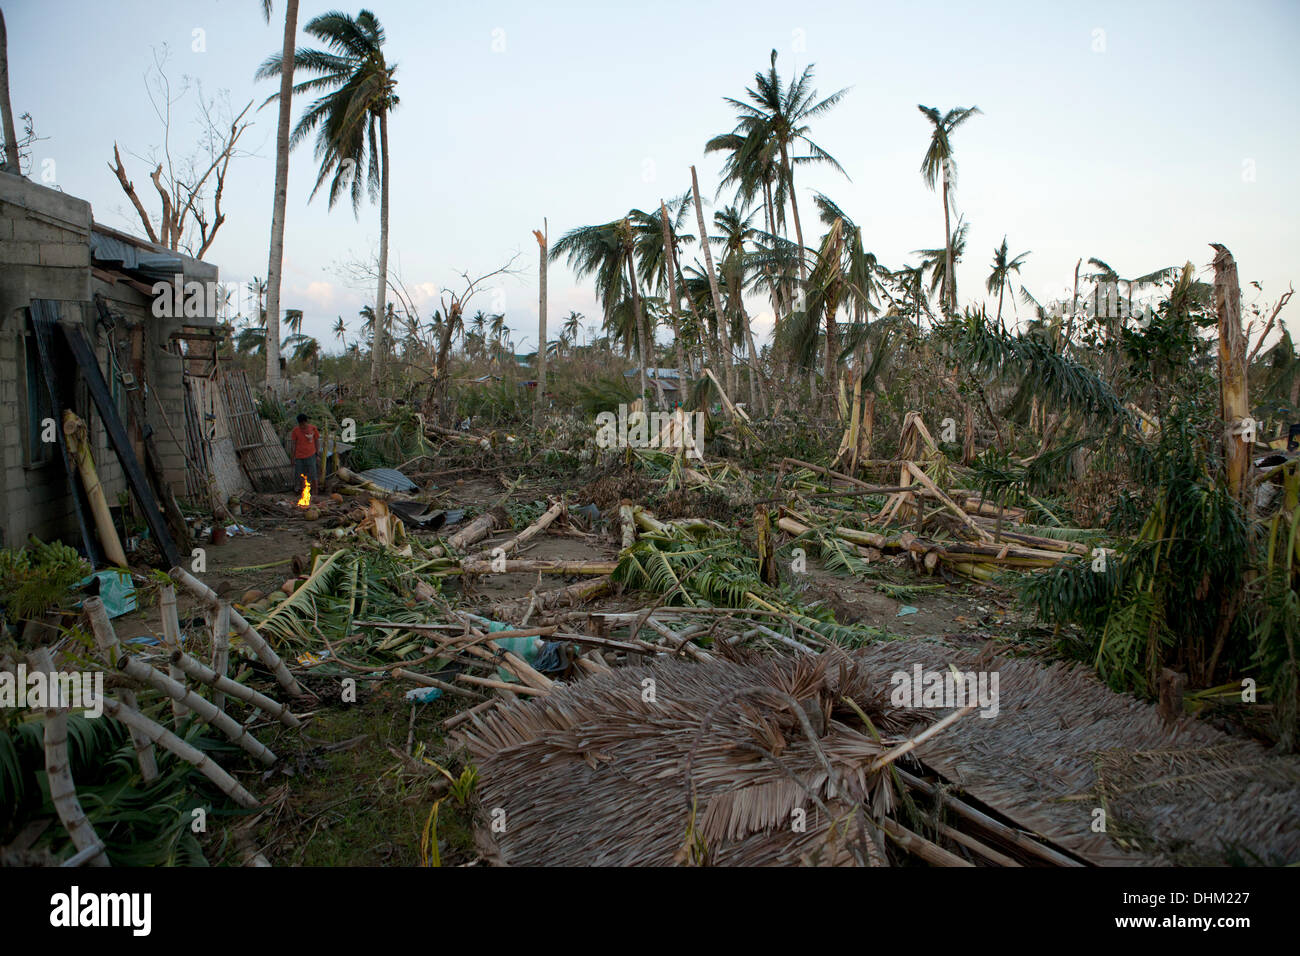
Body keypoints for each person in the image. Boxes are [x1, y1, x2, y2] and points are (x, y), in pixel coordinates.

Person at [289, 413, 321, 494]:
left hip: (311, 455)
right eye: (300, 424)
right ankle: (304, 493)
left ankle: (315, 492)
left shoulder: (313, 429)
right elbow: (293, 444)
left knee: (313, 474)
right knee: (301, 476)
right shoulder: (295, 431)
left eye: (304, 424)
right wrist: (292, 457)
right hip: (299, 457)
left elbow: (317, 441)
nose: (302, 426)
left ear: (306, 422)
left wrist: (317, 454)